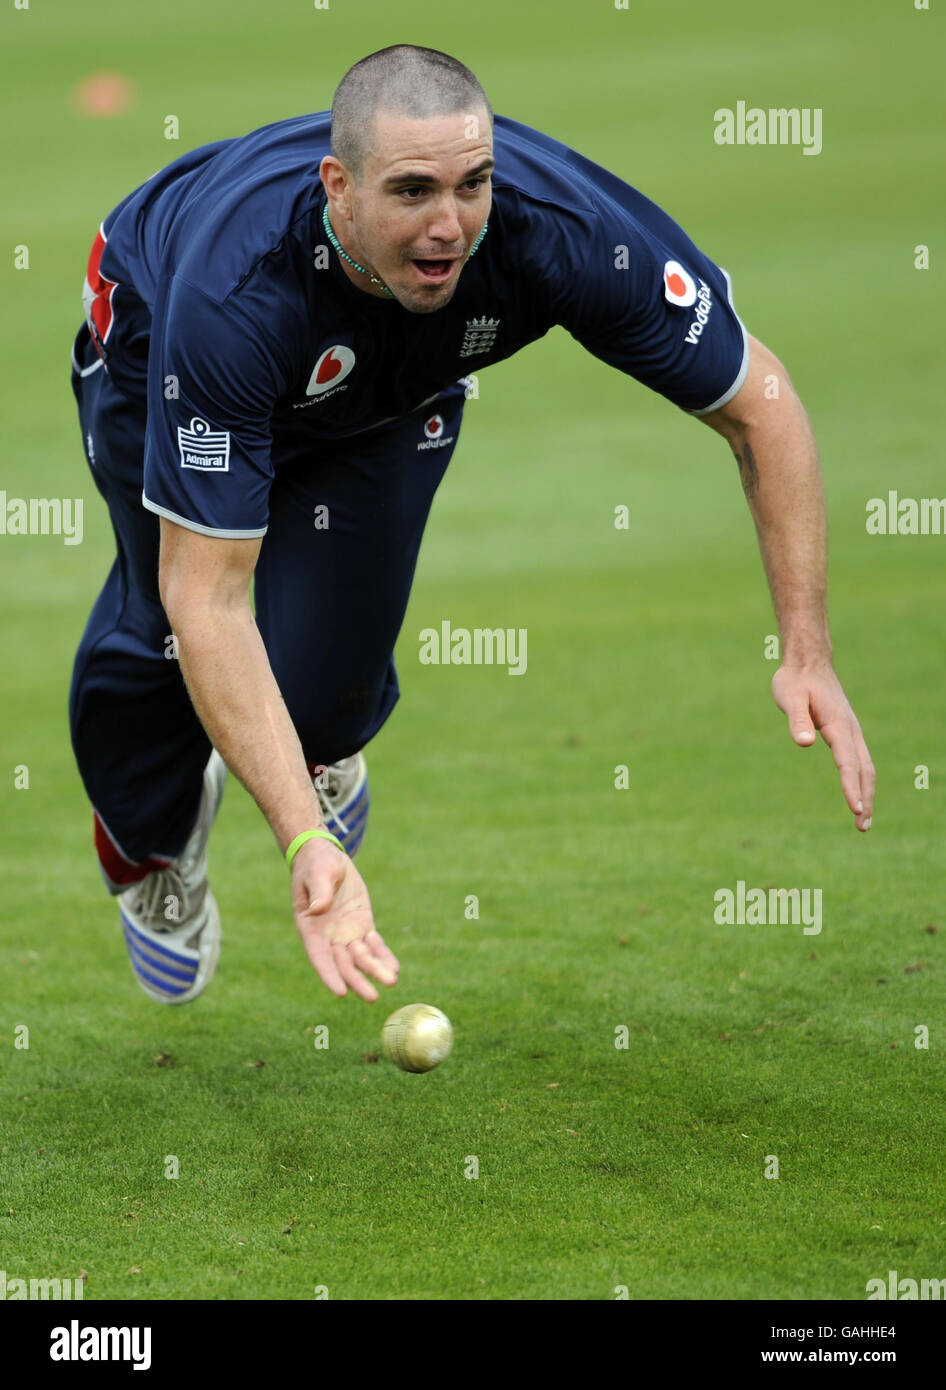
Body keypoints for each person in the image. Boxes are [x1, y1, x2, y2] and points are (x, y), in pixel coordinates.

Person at [69, 44, 875, 1008]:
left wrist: (808, 649)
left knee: (319, 704)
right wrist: (303, 839)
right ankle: (148, 854)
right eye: (411, 192)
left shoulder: (563, 231)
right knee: (160, 633)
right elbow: (208, 597)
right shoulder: (233, 292)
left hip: (387, 402)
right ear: (340, 185)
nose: (449, 226)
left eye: (473, 184)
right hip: (157, 349)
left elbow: (763, 404)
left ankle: (318, 746)